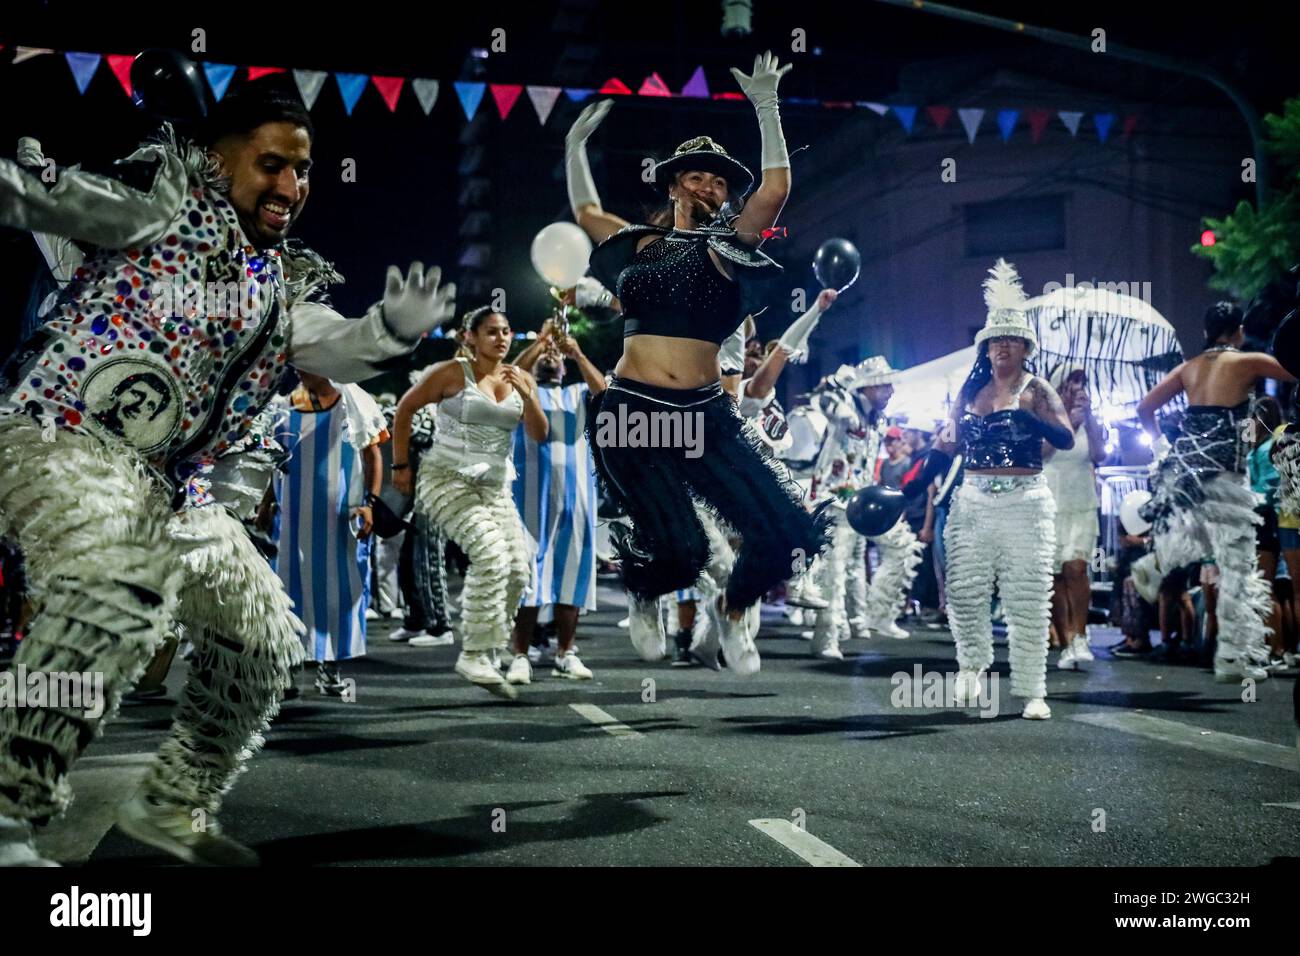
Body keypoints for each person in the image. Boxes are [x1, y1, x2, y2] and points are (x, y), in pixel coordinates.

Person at [0, 78, 455, 866]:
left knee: (263, 641)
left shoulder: (276, 280)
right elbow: (53, 205)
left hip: (175, 490)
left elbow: (329, 344)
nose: (292, 186)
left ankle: (173, 803)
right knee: (117, 587)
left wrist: (387, 330)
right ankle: (8, 803)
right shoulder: (158, 206)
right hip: (63, 437)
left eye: (304, 170)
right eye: (272, 165)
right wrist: (30, 174)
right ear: (216, 162)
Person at [565, 52, 833, 677]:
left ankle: (734, 608)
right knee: (680, 552)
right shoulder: (638, 244)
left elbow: (775, 190)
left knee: (793, 533)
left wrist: (766, 105)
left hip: (706, 414)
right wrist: (575, 147)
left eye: (718, 181)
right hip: (633, 412)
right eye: (696, 177)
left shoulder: (730, 248)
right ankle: (643, 589)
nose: (709, 186)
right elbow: (584, 214)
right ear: (672, 184)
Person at [911, 259, 1075, 719]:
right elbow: (945, 448)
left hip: (1026, 504)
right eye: (995, 341)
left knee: (1026, 600)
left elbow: (1066, 438)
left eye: (1012, 340)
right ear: (985, 349)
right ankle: (970, 670)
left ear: (1025, 347)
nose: (1003, 347)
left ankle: (1032, 691)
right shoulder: (968, 394)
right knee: (965, 592)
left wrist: (1029, 417)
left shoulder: (1037, 388)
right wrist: (913, 484)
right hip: (973, 501)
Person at [392, 308, 547, 698]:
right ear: (471, 337)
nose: (502, 338)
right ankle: (473, 653)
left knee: (517, 568)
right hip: (448, 479)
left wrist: (528, 396)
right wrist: (401, 465)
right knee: (490, 554)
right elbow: (405, 409)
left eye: (507, 331)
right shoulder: (450, 373)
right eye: (492, 332)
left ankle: (491, 649)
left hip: (495, 486)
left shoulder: (520, 378)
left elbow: (540, 434)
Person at [1136, 301, 1296, 682]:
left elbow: (1145, 409)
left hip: (1187, 468)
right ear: (1237, 331)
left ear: (1208, 332)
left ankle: (1156, 563)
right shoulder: (1246, 361)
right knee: (1237, 562)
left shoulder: (1187, 368)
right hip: (1225, 470)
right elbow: (1294, 369)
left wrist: (1162, 448)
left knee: (1203, 538)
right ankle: (1230, 658)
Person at [270, 372, 387, 695]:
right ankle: (290, 667)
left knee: (338, 589)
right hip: (291, 517)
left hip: (340, 516)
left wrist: (370, 504)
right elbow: (272, 461)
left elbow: (372, 454)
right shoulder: (281, 407)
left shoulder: (355, 403)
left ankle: (330, 667)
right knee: (288, 591)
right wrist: (267, 505)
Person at [505, 320, 607, 684]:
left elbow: (606, 392)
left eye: (554, 357)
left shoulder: (576, 392)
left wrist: (576, 353)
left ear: (564, 368)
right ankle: (519, 654)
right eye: (542, 357)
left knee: (572, 573)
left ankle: (566, 652)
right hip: (527, 499)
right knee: (529, 576)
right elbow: (509, 374)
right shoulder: (522, 390)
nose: (549, 358)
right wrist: (541, 340)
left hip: (576, 498)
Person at [1044, 366, 1107, 670]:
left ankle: (1080, 635)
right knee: (1056, 575)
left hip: (1081, 504)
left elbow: (1100, 455)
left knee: (1077, 569)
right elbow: (1041, 453)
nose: (1076, 389)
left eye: (1081, 384)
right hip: (1051, 504)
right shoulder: (1046, 416)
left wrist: (1089, 418)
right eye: (1071, 384)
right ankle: (1065, 638)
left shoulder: (1088, 419)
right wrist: (1067, 421)